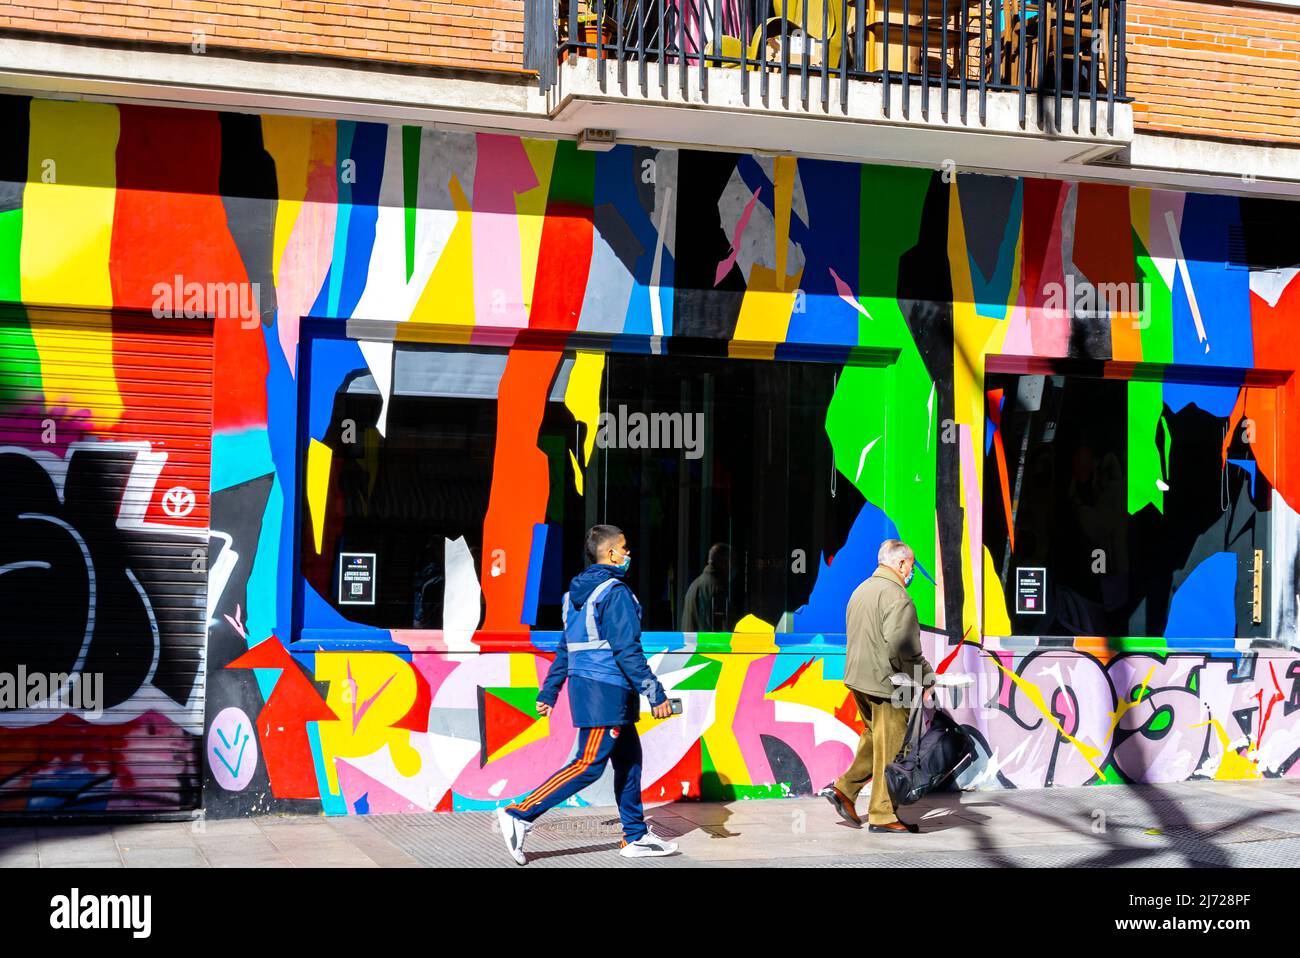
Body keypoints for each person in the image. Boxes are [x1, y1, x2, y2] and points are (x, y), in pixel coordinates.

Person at [496, 524, 679, 864]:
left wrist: (550, 692)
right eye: (624, 548)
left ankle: (635, 836)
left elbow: (566, 648)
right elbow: (628, 651)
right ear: (610, 553)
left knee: (629, 762)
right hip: (606, 692)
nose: (628, 554)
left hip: (598, 691)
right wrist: (655, 693)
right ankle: (519, 813)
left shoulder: (574, 596)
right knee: (587, 765)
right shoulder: (615, 593)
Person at [819, 539, 935, 834]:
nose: (912, 571)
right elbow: (902, 648)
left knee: (874, 738)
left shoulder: (861, 590)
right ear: (899, 564)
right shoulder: (898, 597)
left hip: (859, 680)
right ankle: (883, 815)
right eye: (911, 565)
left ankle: (844, 790)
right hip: (887, 685)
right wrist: (926, 678)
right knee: (891, 747)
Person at [680, 542, 731, 632]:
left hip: (692, 643)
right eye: (731, 563)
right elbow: (721, 628)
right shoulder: (716, 588)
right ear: (723, 563)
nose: (731, 567)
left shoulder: (694, 584)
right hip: (708, 645)